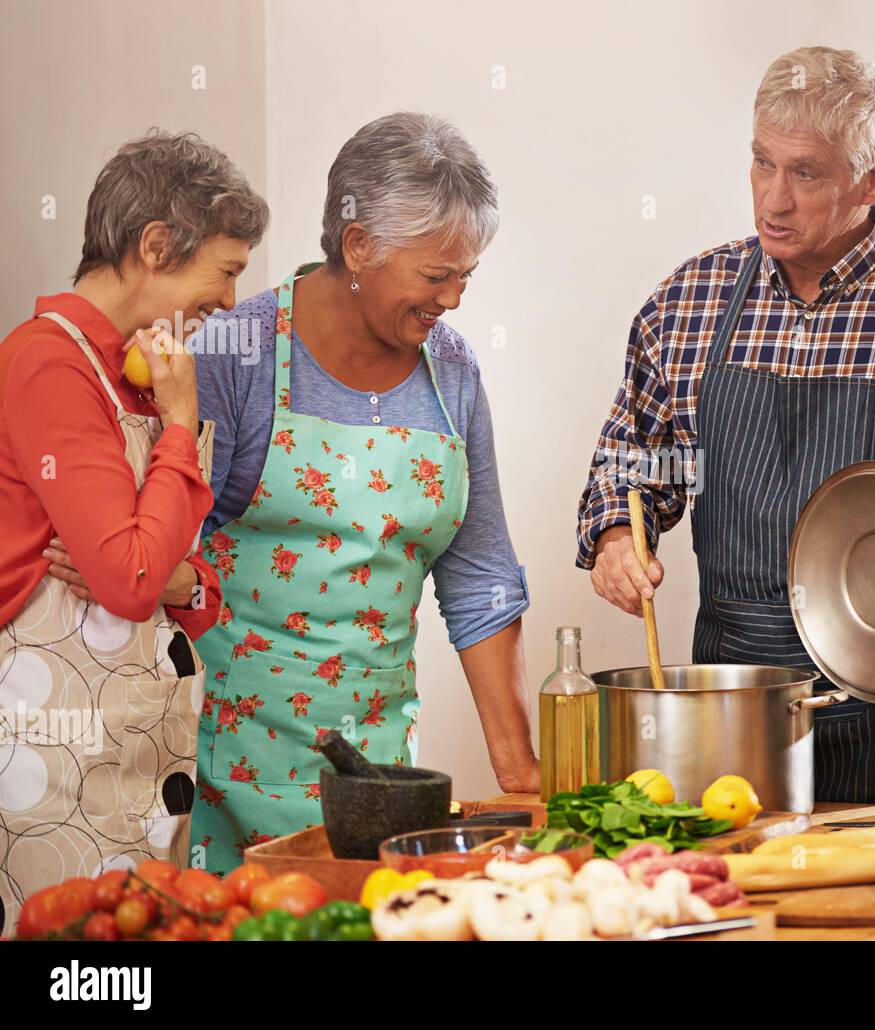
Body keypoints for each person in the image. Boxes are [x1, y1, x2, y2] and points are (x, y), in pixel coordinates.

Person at [576, 48, 875, 804]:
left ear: (873, 178)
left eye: (806, 173)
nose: (774, 199)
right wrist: (614, 537)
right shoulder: (687, 300)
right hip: (737, 702)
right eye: (762, 164)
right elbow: (633, 462)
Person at [189, 112, 537, 874]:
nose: (453, 300)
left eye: (465, 278)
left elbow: (479, 580)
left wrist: (523, 783)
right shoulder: (233, 353)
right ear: (358, 248)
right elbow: (161, 554)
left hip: (378, 786)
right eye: (436, 276)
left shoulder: (452, 370)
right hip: (230, 776)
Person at [0, 130, 267, 934]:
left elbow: (182, 578)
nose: (228, 301)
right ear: (155, 246)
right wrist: (182, 424)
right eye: (225, 271)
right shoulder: (47, 363)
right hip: (53, 756)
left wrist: (180, 579)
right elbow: (130, 580)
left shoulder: (135, 375)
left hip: (140, 757)